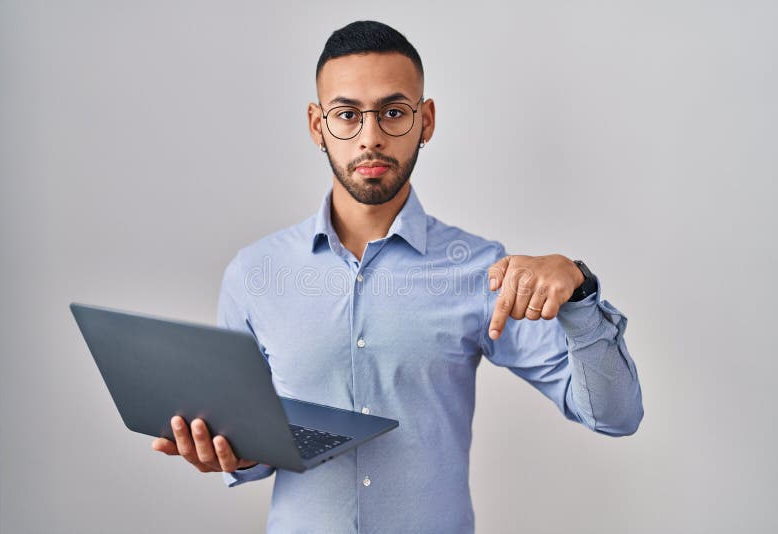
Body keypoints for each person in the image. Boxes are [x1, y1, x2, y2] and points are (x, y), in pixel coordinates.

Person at [152, 20, 643, 533]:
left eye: (393, 113)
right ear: (317, 125)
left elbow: (615, 415)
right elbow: (257, 444)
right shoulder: (255, 275)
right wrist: (234, 454)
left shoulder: (482, 271)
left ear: (425, 121)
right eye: (346, 115)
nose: (371, 138)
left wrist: (580, 292)